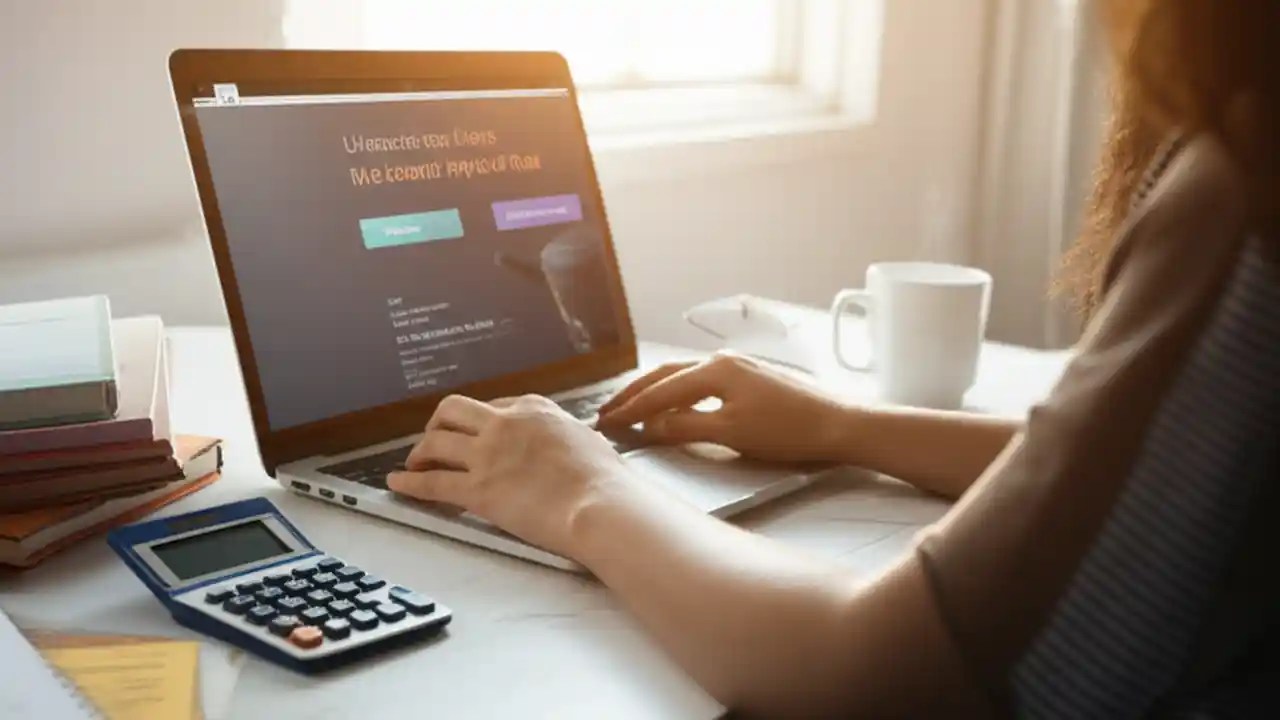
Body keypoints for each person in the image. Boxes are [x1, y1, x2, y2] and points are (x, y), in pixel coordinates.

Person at [388, 2, 1280, 716]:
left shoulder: (1248, 187)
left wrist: (586, 491)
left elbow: (876, 675)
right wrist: (845, 426)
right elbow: (1151, 470)